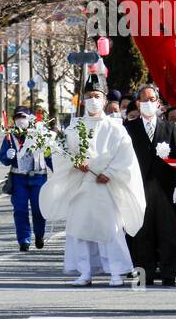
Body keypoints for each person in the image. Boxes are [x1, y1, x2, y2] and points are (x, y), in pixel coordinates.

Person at [39, 81, 146, 286]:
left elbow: (126, 156)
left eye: (97, 96)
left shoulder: (115, 128)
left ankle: (116, 271)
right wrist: (74, 163)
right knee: (79, 229)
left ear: (105, 99)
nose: (93, 100)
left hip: (105, 185)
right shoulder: (74, 127)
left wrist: (110, 173)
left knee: (110, 229)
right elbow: (62, 154)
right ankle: (85, 271)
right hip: (82, 184)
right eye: (89, 96)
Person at [123, 83, 176, 285]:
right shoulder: (129, 128)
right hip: (138, 186)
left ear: (158, 103)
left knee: (167, 230)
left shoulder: (169, 127)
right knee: (143, 231)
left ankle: (169, 272)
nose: (148, 103)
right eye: (144, 100)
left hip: (164, 187)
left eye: (152, 99)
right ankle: (144, 271)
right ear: (138, 104)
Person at [0, 106, 51, 251]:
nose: (21, 120)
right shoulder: (10, 137)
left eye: (24, 117)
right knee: (20, 210)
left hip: (39, 178)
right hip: (18, 179)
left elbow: (49, 156)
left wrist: (60, 172)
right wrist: (7, 156)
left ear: (31, 119)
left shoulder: (40, 135)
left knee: (39, 209)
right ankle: (24, 240)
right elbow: (3, 159)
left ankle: (39, 235)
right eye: (17, 117)